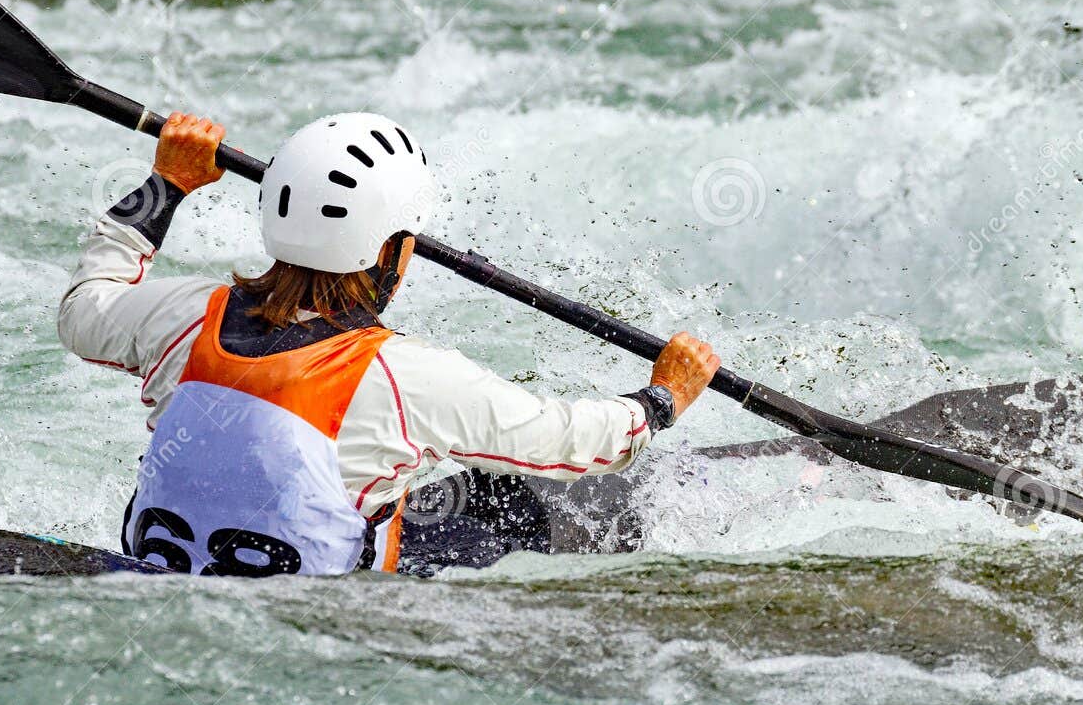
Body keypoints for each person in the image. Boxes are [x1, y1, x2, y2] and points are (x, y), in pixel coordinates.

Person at [58, 112, 721, 576]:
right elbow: (569, 441)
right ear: (391, 253)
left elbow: (84, 309)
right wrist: (662, 398)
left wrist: (166, 183)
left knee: (436, 490)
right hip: (337, 606)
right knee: (509, 495)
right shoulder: (403, 376)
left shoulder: (183, 316)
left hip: (167, 580)